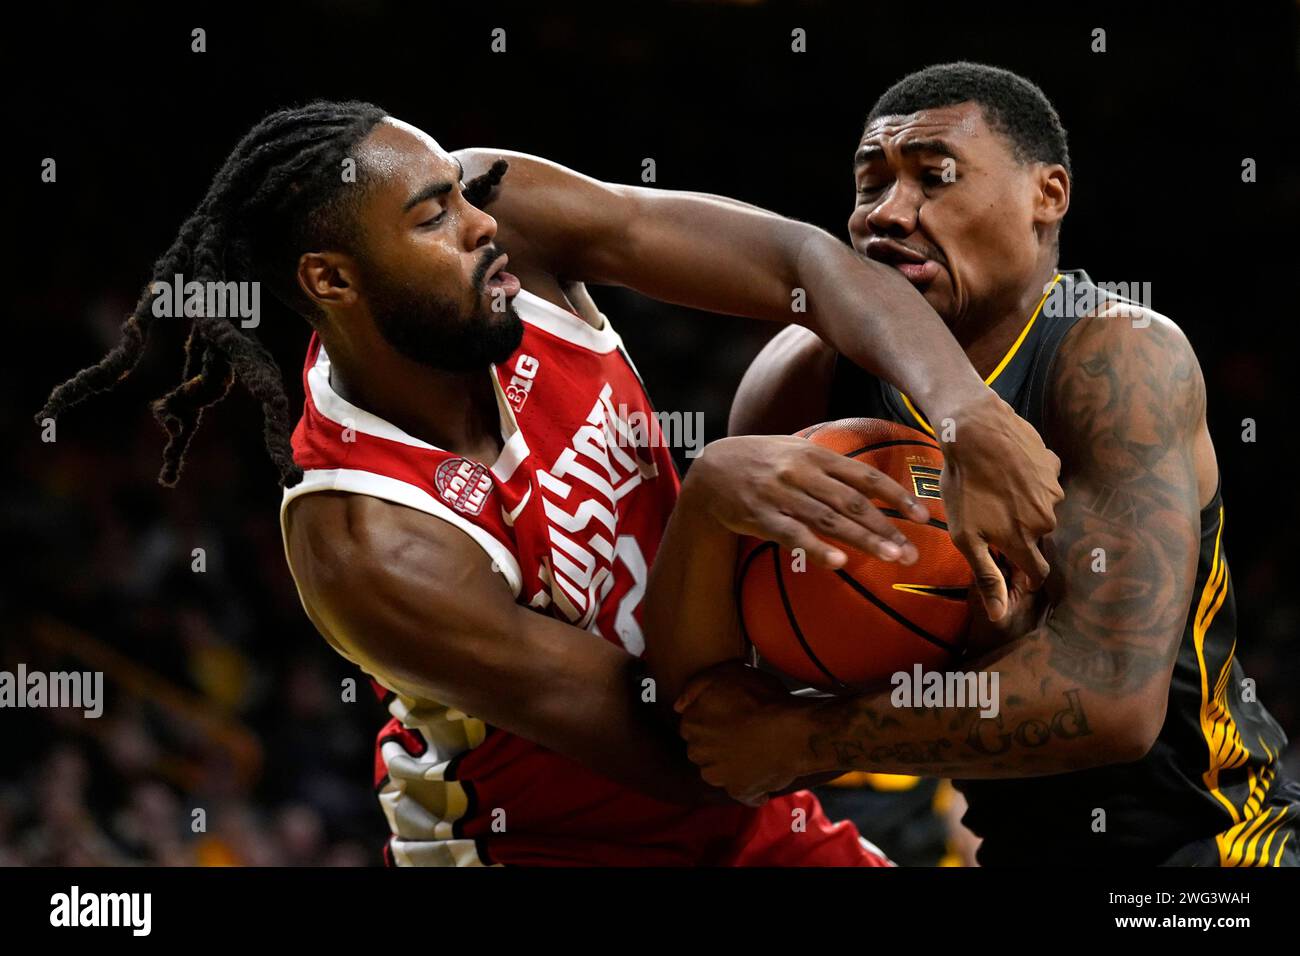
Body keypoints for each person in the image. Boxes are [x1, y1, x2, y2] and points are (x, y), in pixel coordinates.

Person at [37, 99, 1062, 865]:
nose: (478, 220)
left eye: (459, 193)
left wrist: (964, 411)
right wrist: (716, 512)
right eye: (432, 217)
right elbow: (687, 757)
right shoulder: (368, 539)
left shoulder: (507, 219)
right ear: (332, 281)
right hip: (540, 842)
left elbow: (800, 261)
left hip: (737, 792)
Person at [657, 62, 1298, 867]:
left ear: (1047, 196)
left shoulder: (1119, 356)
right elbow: (725, 717)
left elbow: (1113, 700)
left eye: (936, 178)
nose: (888, 212)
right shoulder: (806, 378)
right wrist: (707, 495)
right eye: (870, 185)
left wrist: (808, 737)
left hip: (1206, 847)